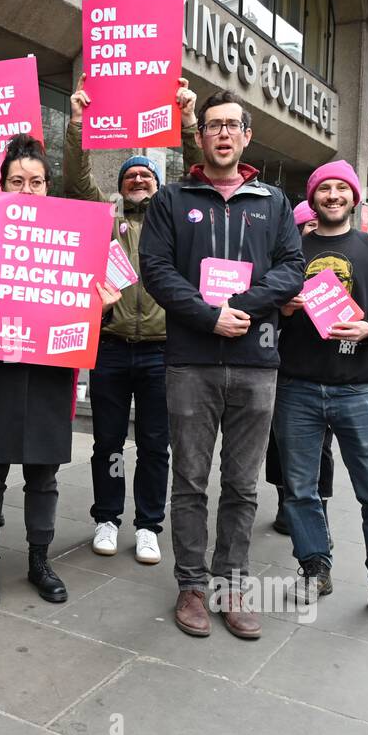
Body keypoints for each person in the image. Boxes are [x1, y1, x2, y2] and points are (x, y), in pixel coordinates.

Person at [139, 90, 304, 641]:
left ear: (247, 136)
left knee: (241, 484)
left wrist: (244, 308)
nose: (224, 134)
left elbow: (292, 269)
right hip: (191, 361)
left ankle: (232, 584)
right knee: (188, 479)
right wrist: (209, 317)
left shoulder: (274, 203)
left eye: (234, 125)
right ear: (201, 134)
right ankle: (190, 583)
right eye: (214, 125)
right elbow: (157, 271)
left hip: (257, 361)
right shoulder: (171, 198)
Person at [0, 133, 120, 605]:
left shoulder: (78, 236)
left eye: (35, 181)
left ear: (48, 186)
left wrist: (104, 308)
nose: (26, 190)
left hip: (51, 370)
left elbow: (91, 302)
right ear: (1, 187)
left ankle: (38, 559)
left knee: (43, 475)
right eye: (16, 181)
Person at [274, 160, 368, 629]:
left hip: (358, 389)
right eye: (324, 188)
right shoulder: (289, 250)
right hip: (295, 386)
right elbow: (259, 309)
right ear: (312, 197)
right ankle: (314, 567)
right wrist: (280, 306)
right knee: (299, 490)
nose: (333, 195)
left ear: (355, 198)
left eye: (342, 188)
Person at [65, 73, 199, 565]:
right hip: (111, 346)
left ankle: (147, 525)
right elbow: (77, 182)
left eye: (146, 175)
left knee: (156, 443)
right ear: (120, 187)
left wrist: (187, 122)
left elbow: (196, 174)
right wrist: (77, 125)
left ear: (159, 186)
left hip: (165, 350)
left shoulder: (173, 219)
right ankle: (106, 517)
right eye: (130, 176)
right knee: (107, 441)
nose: (139, 179)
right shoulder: (104, 216)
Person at [267, 199, 333, 538]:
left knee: (321, 447)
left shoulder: (337, 265)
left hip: (328, 369)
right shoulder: (283, 265)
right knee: (281, 443)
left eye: (316, 225)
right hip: (286, 368)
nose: (312, 231)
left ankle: (319, 510)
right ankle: (285, 503)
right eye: (306, 225)